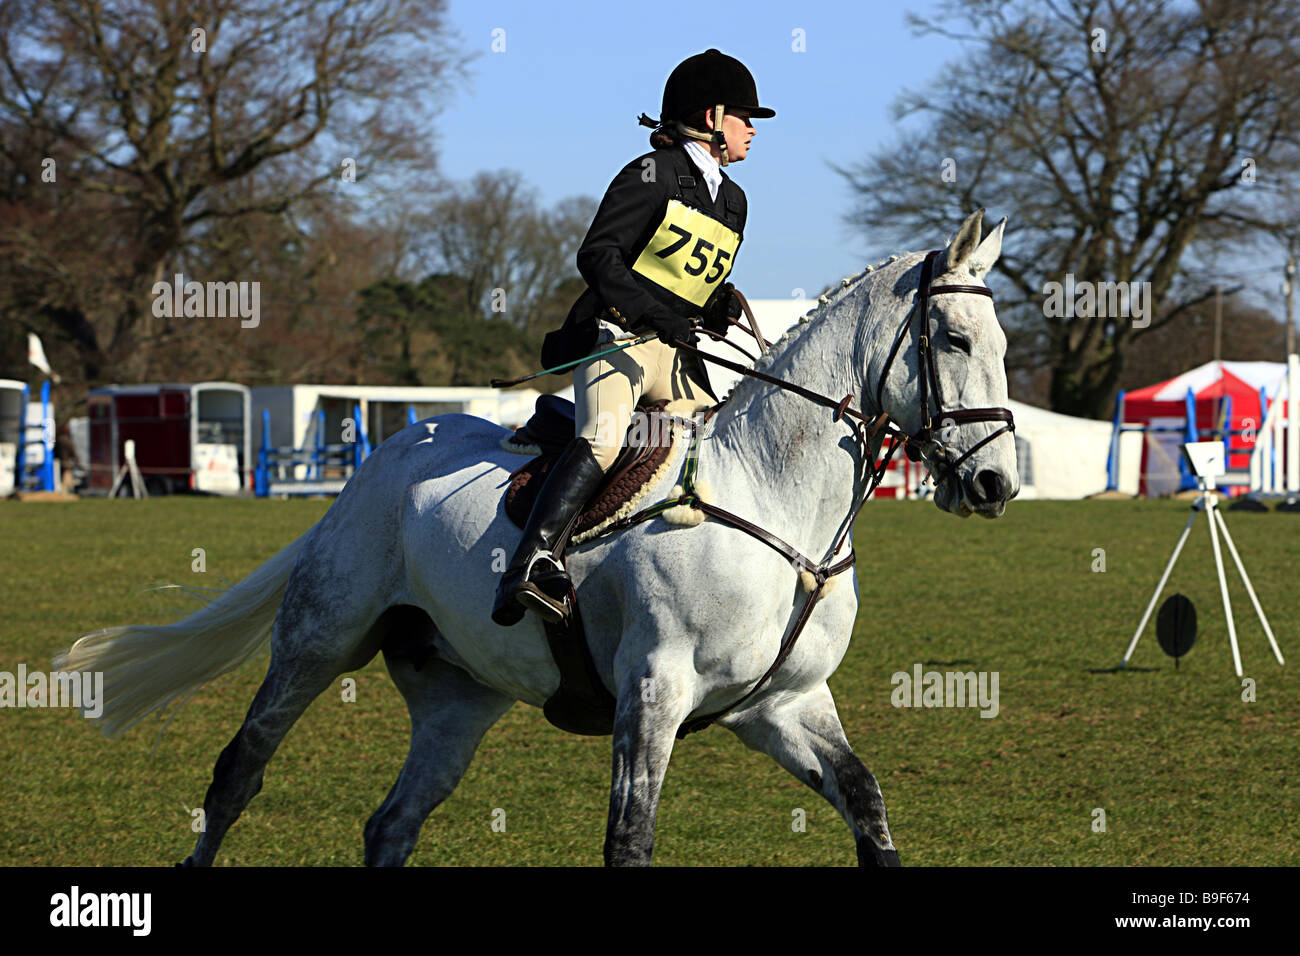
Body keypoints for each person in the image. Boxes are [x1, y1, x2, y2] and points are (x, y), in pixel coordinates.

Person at [491, 48, 775, 627]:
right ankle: (532, 559)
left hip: (676, 355)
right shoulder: (648, 174)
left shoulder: (735, 201)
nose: (752, 130)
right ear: (714, 115)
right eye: (747, 117)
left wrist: (715, 303)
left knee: (721, 439)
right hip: (617, 336)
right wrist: (653, 313)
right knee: (601, 438)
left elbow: (691, 273)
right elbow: (598, 256)